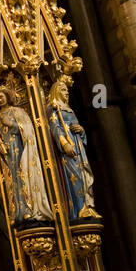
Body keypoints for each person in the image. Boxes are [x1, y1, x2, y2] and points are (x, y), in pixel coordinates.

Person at [0, 85, 53, 224]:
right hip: (8, 152)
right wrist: (0, 146)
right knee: (13, 182)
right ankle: (18, 211)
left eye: (1, 96)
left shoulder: (16, 111)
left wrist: (12, 125)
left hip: (20, 149)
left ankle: (29, 209)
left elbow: (27, 129)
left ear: (7, 96)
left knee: (22, 176)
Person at [48, 78, 100, 221]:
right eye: (63, 89)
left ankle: (88, 206)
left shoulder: (68, 109)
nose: (66, 93)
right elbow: (55, 128)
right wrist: (65, 144)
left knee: (84, 176)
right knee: (74, 177)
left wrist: (81, 130)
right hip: (68, 148)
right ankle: (78, 210)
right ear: (56, 92)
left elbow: (76, 127)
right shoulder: (54, 107)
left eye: (66, 90)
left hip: (78, 146)